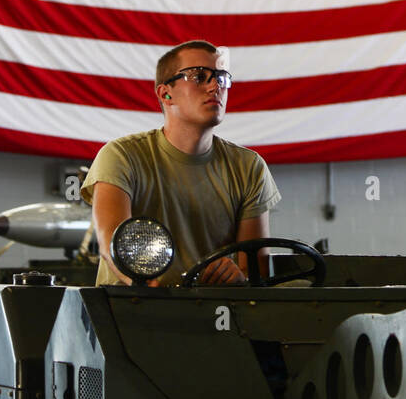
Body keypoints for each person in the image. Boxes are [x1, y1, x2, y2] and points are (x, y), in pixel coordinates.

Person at [81, 39, 280, 286]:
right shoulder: (121, 155)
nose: (214, 87)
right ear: (165, 93)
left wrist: (238, 279)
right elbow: (112, 247)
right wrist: (151, 293)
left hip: (215, 316)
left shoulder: (249, 167)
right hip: (130, 313)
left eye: (221, 78)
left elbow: (255, 271)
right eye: (198, 76)